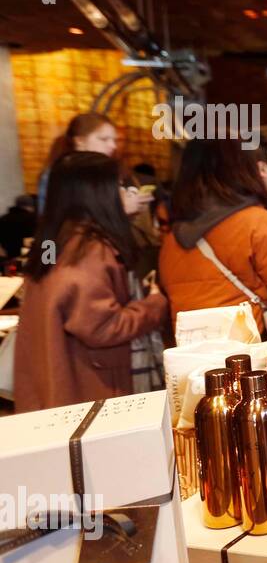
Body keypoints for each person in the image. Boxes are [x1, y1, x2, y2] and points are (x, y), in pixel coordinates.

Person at [14, 152, 169, 412]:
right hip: (89, 394)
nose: (124, 193)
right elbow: (105, 327)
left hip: (54, 384)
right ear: (98, 192)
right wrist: (154, 304)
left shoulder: (54, 241)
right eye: (119, 186)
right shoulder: (87, 251)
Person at [158, 138, 267, 335]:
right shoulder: (258, 223)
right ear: (243, 167)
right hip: (249, 355)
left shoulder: (171, 238)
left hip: (194, 356)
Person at [37, 113, 118, 214]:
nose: (113, 146)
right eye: (104, 139)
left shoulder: (103, 170)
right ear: (80, 141)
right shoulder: (60, 174)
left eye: (114, 140)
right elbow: (53, 219)